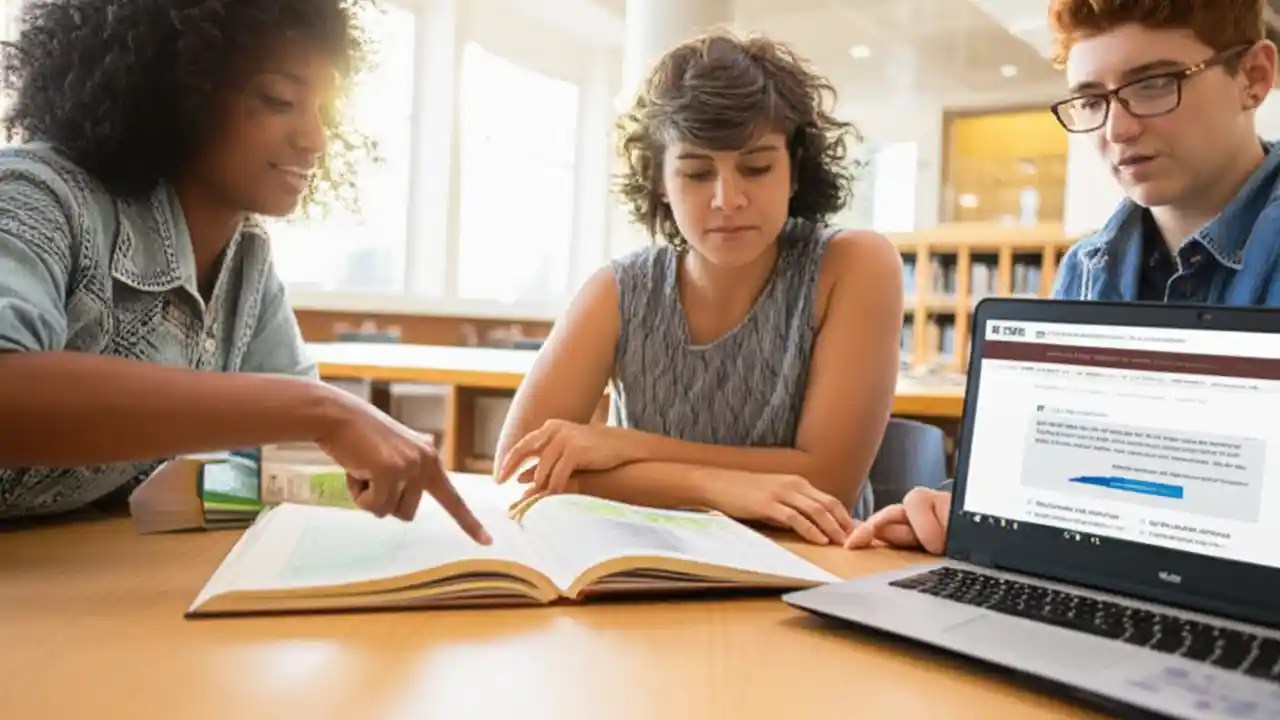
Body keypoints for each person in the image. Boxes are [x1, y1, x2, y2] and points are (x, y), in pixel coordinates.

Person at [0, 0, 489, 544]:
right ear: (179, 90)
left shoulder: (245, 254)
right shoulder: (34, 195)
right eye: (280, 99)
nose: (317, 139)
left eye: (323, 109)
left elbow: (297, 439)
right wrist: (323, 411)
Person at [847, 0, 1280, 554]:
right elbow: (1059, 482)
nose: (1118, 129)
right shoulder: (1085, 269)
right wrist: (969, 509)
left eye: (1152, 84)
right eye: (1092, 99)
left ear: (1253, 77)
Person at [492, 32, 904, 546]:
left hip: (811, 566)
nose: (727, 199)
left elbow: (825, 484)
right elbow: (518, 471)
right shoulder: (619, 291)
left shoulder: (854, 266)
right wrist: (716, 487)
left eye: (756, 167)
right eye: (695, 173)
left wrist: (620, 447)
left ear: (795, 170)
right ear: (660, 181)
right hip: (644, 568)